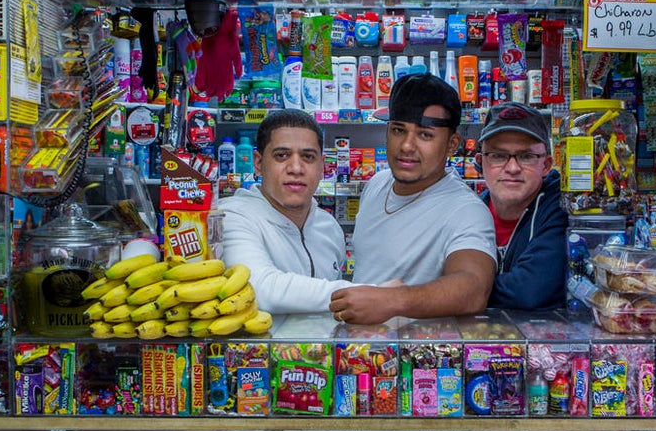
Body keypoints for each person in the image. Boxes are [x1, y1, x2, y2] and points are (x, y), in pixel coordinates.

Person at [330, 74, 496, 325]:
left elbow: (473, 289)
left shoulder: (466, 210)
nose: (407, 146)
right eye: (398, 130)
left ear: (452, 145)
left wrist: (392, 301)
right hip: (358, 344)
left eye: (425, 135)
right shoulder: (377, 184)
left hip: (416, 348)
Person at [220, 109, 352, 314]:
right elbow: (258, 288)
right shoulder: (230, 216)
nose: (296, 168)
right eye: (282, 156)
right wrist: (368, 294)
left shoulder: (329, 227)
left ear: (322, 166)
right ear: (258, 163)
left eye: (308, 157)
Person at [477, 102, 568, 310]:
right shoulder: (469, 213)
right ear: (481, 162)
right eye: (498, 155)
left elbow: (529, 291)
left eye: (526, 156)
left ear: (546, 165)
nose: (512, 168)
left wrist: (456, 289)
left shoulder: (562, 208)